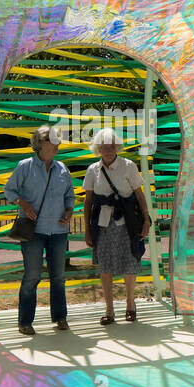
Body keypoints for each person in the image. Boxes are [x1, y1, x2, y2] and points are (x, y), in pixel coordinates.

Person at [4, 125, 75, 336]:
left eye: (57, 141)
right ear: (41, 144)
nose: (57, 145)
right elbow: (8, 190)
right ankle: (25, 321)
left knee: (58, 277)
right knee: (32, 276)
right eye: (53, 141)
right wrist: (22, 203)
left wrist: (70, 211)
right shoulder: (24, 166)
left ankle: (60, 318)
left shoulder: (62, 168)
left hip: (59, 231)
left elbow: (70, 195)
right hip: (33, 232)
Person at [83, 128, 151, 325]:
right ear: (98, 149)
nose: (108, 150)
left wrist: (146, 220)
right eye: (104, 147)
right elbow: (88, 202)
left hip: (127, 223)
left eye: (111, 146)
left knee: (129, 265)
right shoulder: (92, 170)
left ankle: (131, 306)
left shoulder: (129, 166)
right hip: (102, 225)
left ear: (117, 147)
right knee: (105, 268)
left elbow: (139, 195)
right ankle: (109, 311)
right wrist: (87, 230)